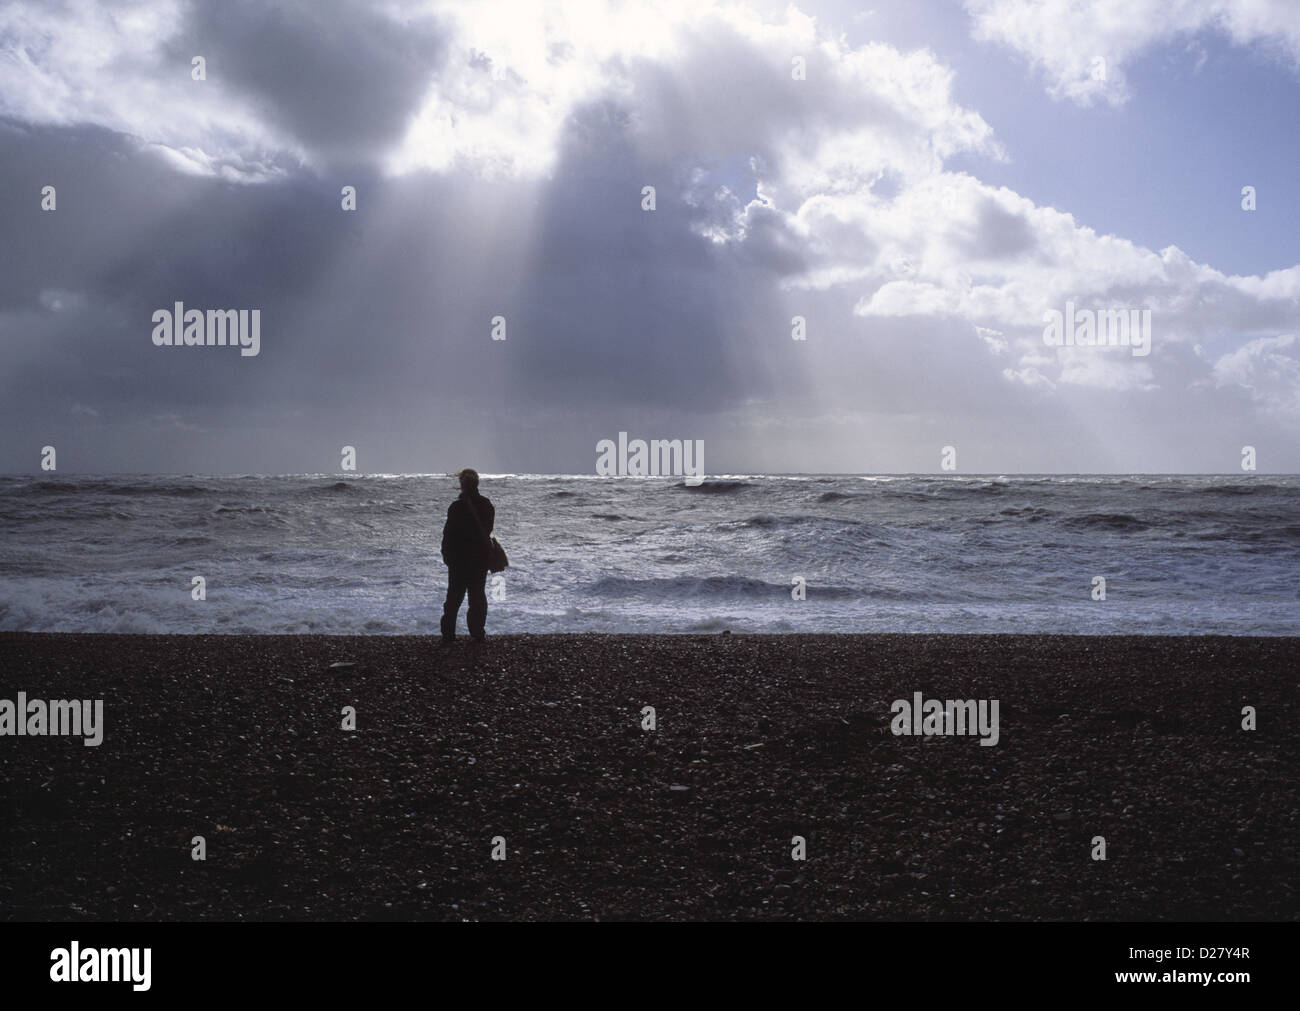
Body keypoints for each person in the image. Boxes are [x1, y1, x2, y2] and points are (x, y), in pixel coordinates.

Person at [440, 468, 494, 643]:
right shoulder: (486, 505)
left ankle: (448, 635)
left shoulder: (456, 507)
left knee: (454, 598)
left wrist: (447, 556)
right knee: (477, 596)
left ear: (461, 485)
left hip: (458, 560)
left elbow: (448, 535)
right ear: (477, 483)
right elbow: (488, 530)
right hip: (479, 559)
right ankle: (477, 633)